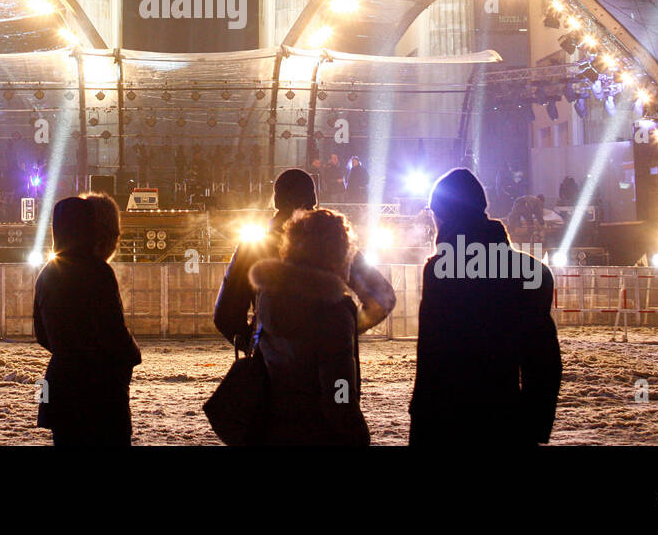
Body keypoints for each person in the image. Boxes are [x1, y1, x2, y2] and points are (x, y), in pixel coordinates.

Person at [409, 167, 562, 447]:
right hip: (505, 420)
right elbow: (543, 364)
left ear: (442, 215)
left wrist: (422, 424)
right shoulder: (532, 273)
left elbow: (432, 360)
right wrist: (534, 428)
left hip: (446, 423)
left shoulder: (440, 271)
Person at [214, 168, 396, 350]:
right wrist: (343, 331)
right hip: (326, 362)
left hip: (272, 364)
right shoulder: (335, 244)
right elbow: (381, 299)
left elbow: (225, 315)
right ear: (314, 201)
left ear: (276, 201)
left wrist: (256, 346)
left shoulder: (253, 248)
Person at [248, 208, 371, 445]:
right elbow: (339, 389)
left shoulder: (268, 298)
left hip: (273, 428)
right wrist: (356, 434)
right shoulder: (333, 311)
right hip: (317, 432)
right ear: (336, 254)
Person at [33, 193, 141, 446]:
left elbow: (42, 335)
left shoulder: (48, 273)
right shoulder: (98, 273)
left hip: (61, 386)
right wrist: (132, 354)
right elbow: (113, 332)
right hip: (99, 393)